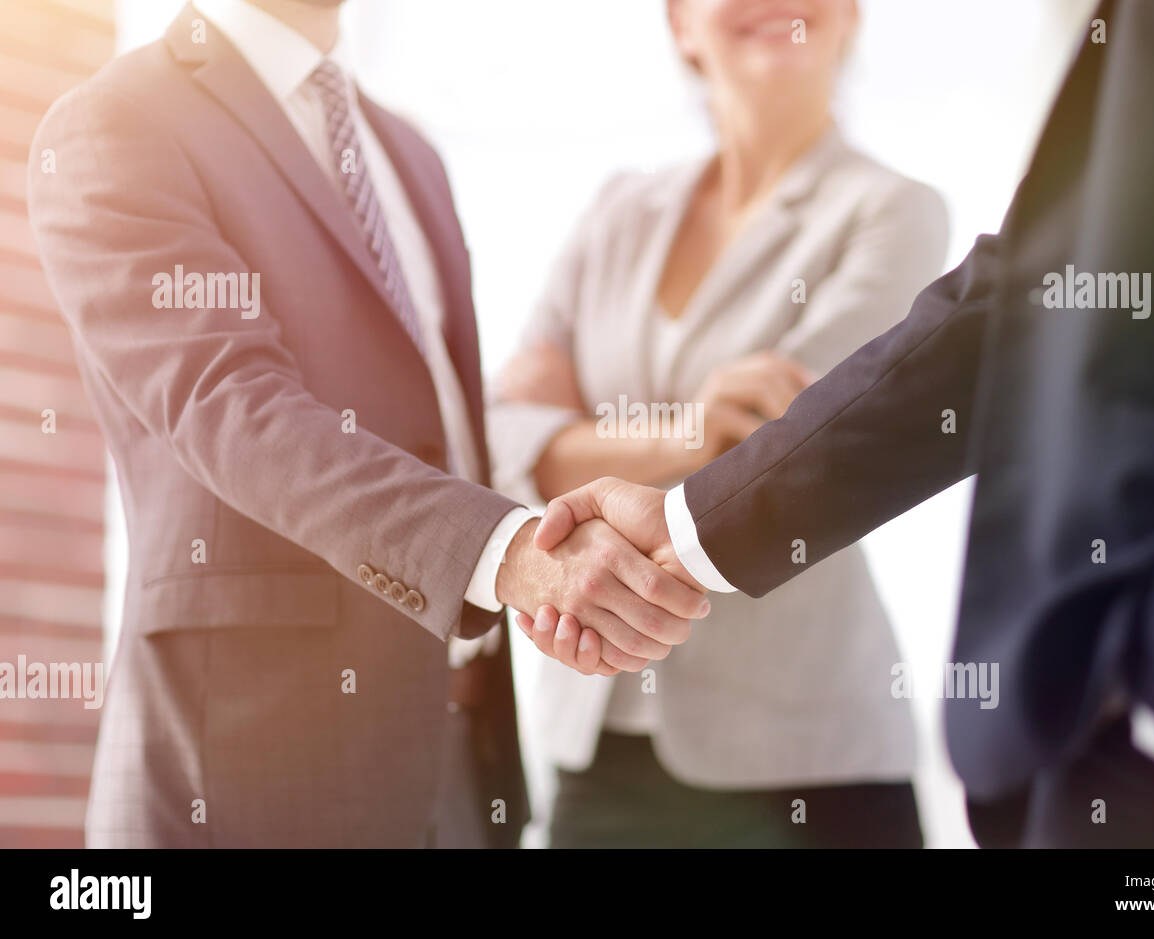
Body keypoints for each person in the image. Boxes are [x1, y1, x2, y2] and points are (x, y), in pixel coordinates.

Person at [528, 0, 1154, 847]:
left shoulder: (886, 207)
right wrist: (687, 516)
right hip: (1089, 721)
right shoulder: (622, 207)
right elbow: (1026, 298)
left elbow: (765, 407)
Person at [26, 0, 704, 847]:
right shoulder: (117, 121)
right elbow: (232, 410)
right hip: (250, 769)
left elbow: (440, 431)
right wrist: (514, 555)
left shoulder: (408, 152)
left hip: (456, 756)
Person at [491, 0, 947, 847]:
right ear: (678, 22)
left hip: (802, 756)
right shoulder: (618, 212)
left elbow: (795, 447)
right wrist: (688, 430)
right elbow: (503, 430)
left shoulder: (892, 212)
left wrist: (579, 439)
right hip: (598, 743)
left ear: (849, 13)